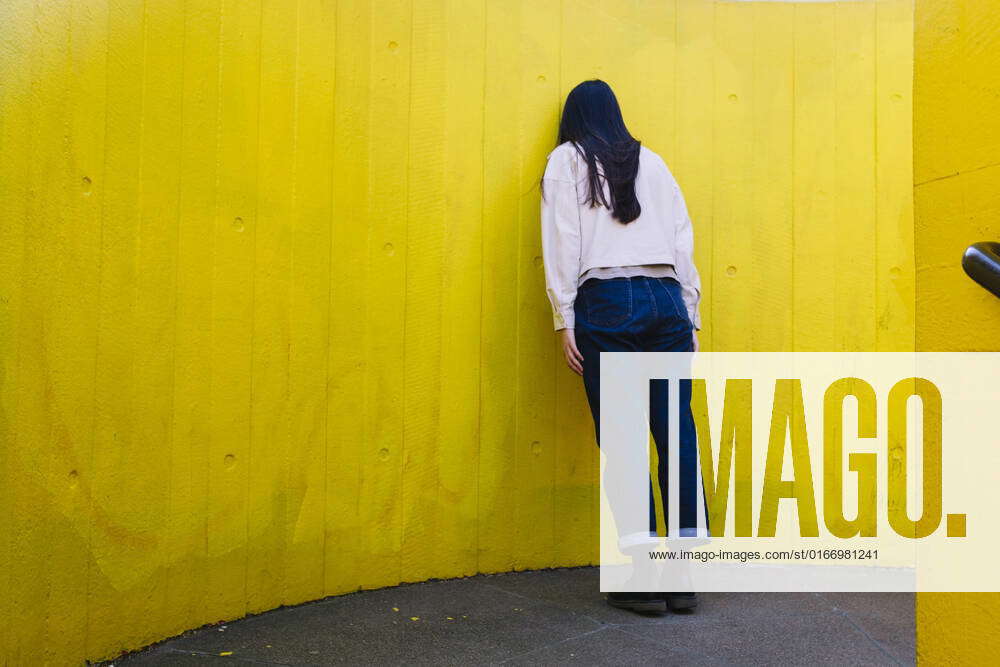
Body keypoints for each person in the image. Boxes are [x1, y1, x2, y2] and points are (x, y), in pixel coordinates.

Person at [539, 79, 703, 614]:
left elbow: (563, 236)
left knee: (625, 438)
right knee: (675, 432)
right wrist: (691, 315)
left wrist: (565, 317)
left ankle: (642, 578)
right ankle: (683, 576)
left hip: (608, 301)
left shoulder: (567, 160)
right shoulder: (653, 162)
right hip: (666, 300)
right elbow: (682, 239)